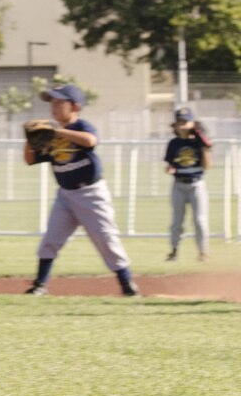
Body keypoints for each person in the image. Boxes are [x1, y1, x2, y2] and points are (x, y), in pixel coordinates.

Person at [23, 84, 139, 297]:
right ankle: (40, 285)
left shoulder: (81, 126)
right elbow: (30, 160)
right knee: (51, 239)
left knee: (106, 239)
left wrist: (56, 131)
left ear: (75, 106)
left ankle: (127, 285)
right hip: (65, 195)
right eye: (52, 103)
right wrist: (30, 141)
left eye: (59, 102)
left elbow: (90, 141)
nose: (54, 107)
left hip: (92, 194)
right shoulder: (49, 136)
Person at [164, 106, 213, 262]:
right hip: (178, 185)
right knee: (177, 220)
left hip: (196, 184)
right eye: (179, 121)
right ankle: (174, 250)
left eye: (186, 121)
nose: (182, 124)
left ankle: (203, 252)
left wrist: (204, 147)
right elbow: (171, 164)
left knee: (200, 220)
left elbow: (207, 166)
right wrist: (171, 168)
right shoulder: (174, 143)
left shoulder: (198, 142)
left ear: (192, 123)